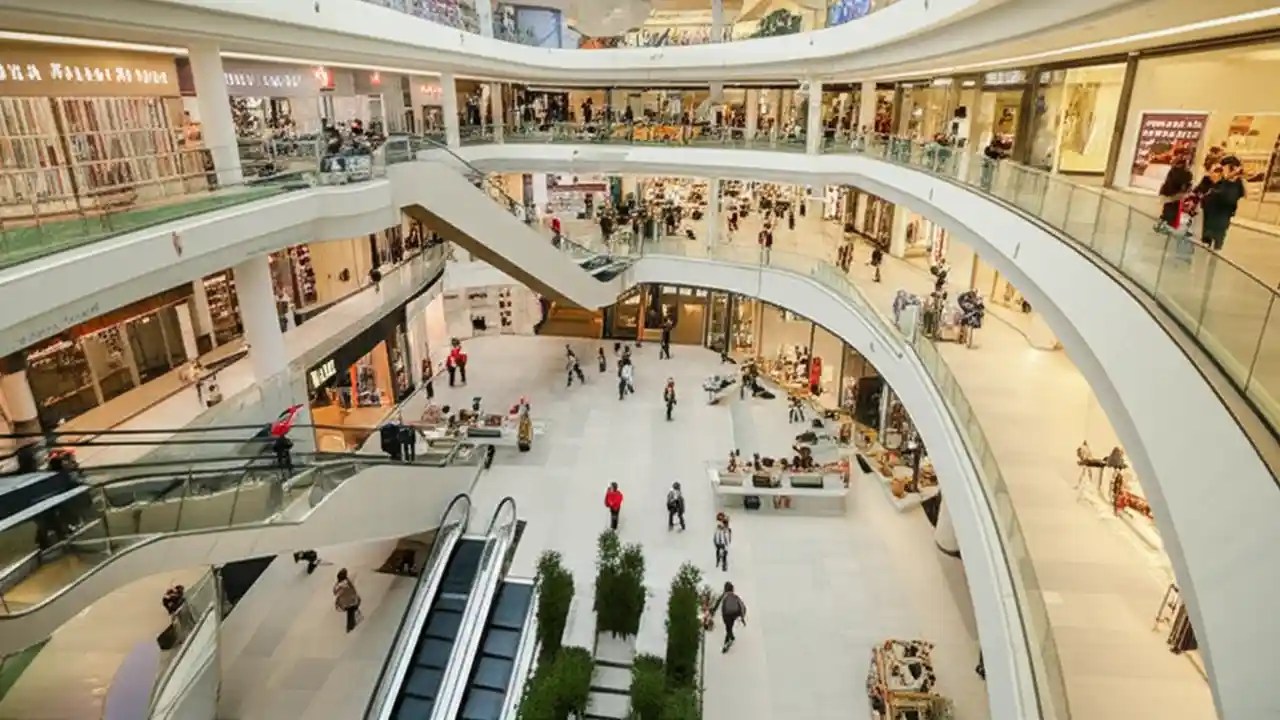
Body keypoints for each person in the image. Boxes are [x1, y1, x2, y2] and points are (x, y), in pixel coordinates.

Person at [1197, 157, 1246, 251]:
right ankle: (1206, 247)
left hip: (1226, 211)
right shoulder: (1217, 176)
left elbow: (1242, 194)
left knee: (1220, 236)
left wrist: (1239, 178)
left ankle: (1215, 254)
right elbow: (1213, 187)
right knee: (1208, 234)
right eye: (1230, 167)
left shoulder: (1237, 182)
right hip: (1213, 210)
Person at [714, 581, 746, 652]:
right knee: (729, 626)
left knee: (728, 627)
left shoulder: (723, 596)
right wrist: (742, 617)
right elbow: (742, 606)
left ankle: (727, 641)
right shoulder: (735, 597)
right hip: (734, 614)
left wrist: (712, 611)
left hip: (726, 614)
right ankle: (731, 637)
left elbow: (717, 604)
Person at [333, 568, 362, 633]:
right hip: (353, 601)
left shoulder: (339, 585)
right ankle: (351, 625)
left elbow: (335, 592)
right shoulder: (348, 582)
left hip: (345, 604)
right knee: (351, 611)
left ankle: (350, 626)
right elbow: (353, 591)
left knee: (350, 612)